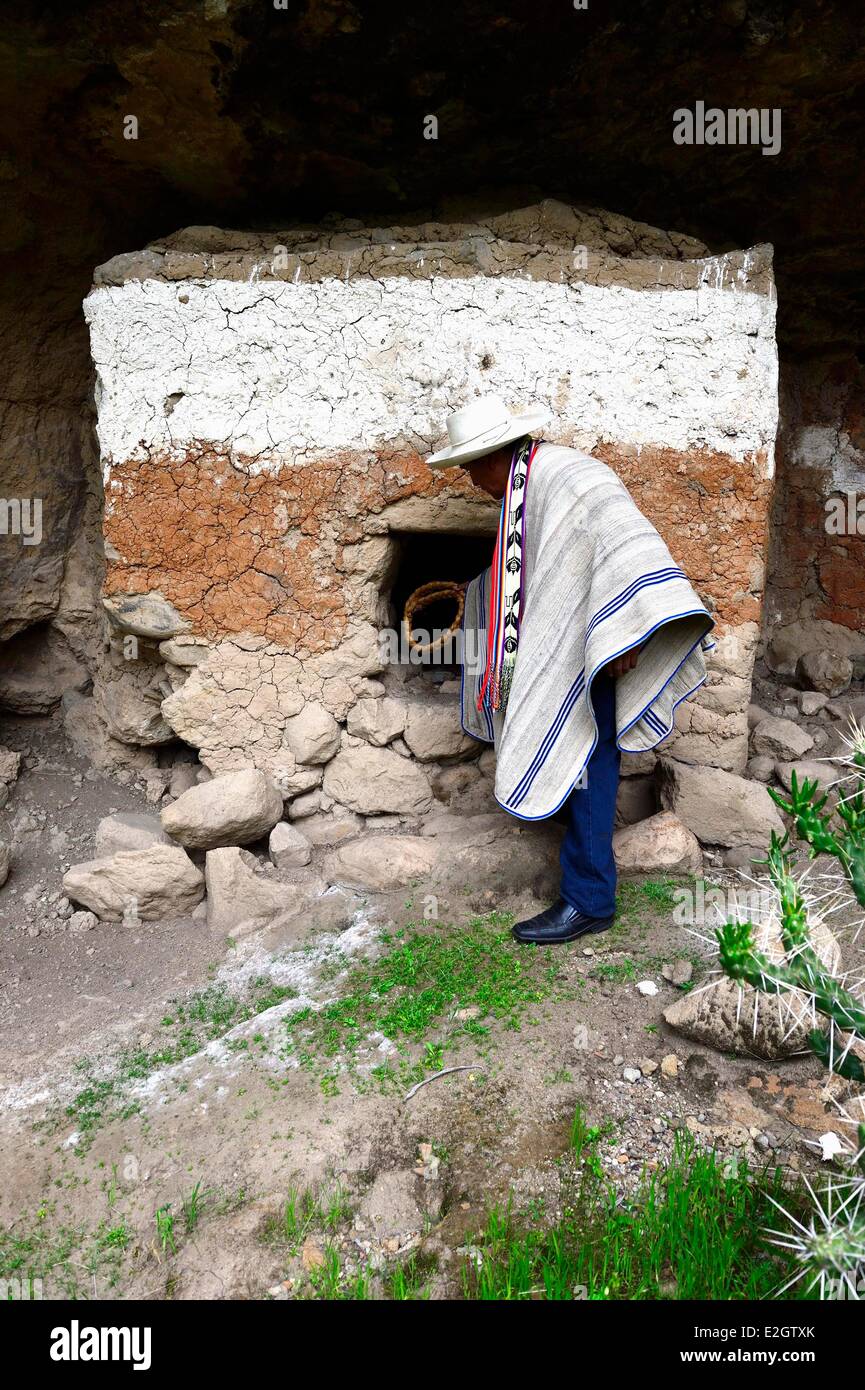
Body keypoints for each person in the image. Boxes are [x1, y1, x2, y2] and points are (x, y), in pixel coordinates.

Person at [426, 394, 714, 945]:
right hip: (590, 637)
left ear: (493, 457)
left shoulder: (567, 477)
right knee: (584, 752)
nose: (469, 482)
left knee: (584, 750)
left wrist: (628, 627)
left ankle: (588, 900)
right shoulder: (532, 482)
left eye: (468, 468)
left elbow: (628, 545)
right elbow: (536, 568)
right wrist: (480, 596)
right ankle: (584, 871)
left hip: (603, 642)